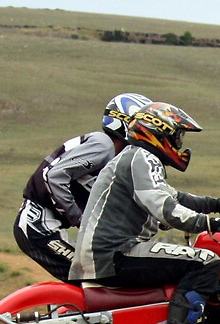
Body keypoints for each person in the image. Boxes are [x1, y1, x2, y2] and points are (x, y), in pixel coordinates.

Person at [69, 102, 220, 324]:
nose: (179, 143)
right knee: (205, 261)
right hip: (114, 253)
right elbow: (166, 209)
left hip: (113, 252)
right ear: (158, 133)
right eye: (177, 136)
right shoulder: (139, 157)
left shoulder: (137, 158)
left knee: (197, 260)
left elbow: (174, 197)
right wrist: (213, 223)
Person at [14, 93, 151, 282]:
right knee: (93, 277)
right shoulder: (104, 146)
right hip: (38, 225)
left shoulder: (117, 159)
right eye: (144, 126)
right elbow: (54, 177)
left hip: (45, 225)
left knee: (94, 279)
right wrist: (80, 220)